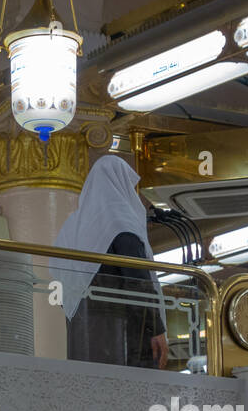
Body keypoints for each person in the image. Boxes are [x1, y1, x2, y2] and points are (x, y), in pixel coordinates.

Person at [51, 155, 169, 368]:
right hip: (124, 340)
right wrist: (155, 330)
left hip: (82, 339)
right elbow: (138, 282)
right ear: (120, 184)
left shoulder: (72, 227)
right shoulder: (121, 221)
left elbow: (60, 289)